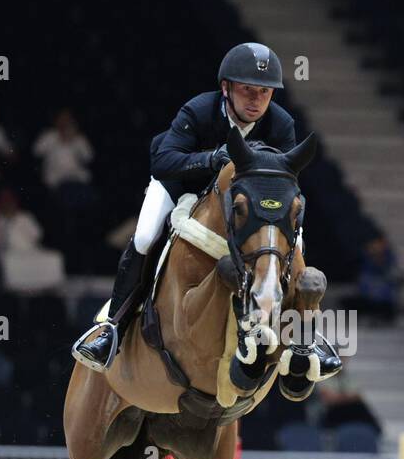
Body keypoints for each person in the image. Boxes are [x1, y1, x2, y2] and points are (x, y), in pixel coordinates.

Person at [71, 42, 341, 382]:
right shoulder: (199, 111)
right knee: (144, 236)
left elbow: (284, 183)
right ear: (225, 88)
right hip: (181, 185)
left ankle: (306, 337)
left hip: (246, 204)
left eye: (264, 92)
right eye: (247, 90)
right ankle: (113, 327)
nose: (256, 100)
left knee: (294, 242)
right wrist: (211, 159)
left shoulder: (280, 124)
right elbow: (163, 160)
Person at [0, 188, 64, 292]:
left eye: (9, 199)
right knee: (12, 262)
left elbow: (37, 236)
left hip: (29, 251)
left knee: (54, 257)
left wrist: (14, 220)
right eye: (3, 199)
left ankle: (48, 287)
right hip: (8, 254)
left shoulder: (25, 216)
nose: (6, 202)